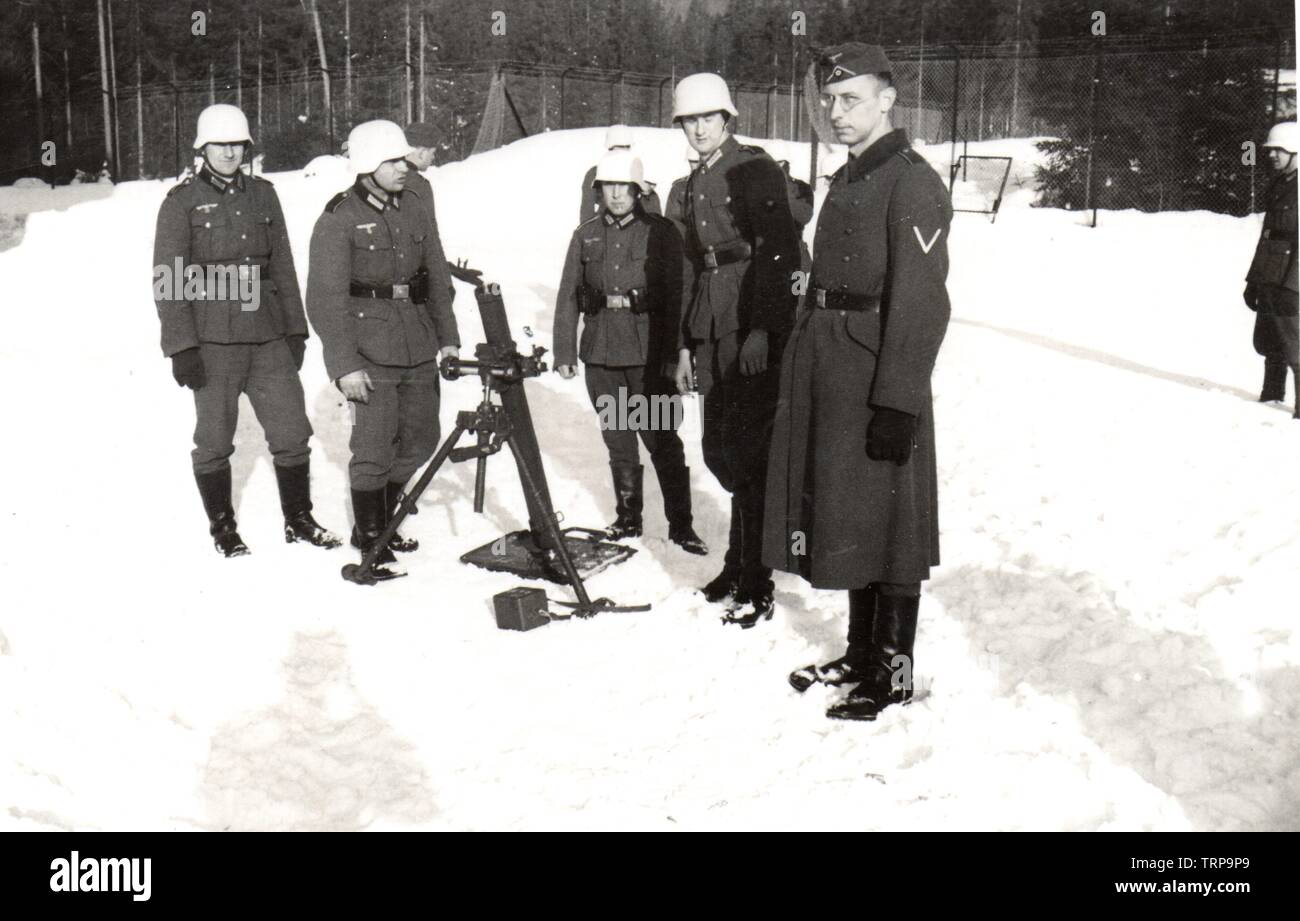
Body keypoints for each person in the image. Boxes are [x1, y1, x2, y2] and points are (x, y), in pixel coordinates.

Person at [763, 44, 952, 721]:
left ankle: (893, 670)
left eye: (850, 99)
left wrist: (898, 400)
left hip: (878, 373)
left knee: (890, 524)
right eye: (828, 101)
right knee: (851, 514)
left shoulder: (913, 182)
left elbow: (923, 301)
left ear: (887, 99)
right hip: (832, 365)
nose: (834, 113)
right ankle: (858, 652)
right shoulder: (848, 179)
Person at [152, 103, 339, 557]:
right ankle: (223, 527)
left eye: (237, 144)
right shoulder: (182, 203)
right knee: (214, 439)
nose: (230, 153)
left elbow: (283, 265)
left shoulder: (263, 195)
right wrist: (181, 346)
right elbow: (167, 276)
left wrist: (295, 330)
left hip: (268, 335)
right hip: (213, 341)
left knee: (293, 431)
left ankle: (298, 518)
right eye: (220, 145)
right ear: (203, 149)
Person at [666, 73, 801, 627]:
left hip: (752, 317)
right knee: (722, 450)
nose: (698, 129)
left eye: (707, 119)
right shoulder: (689, 182)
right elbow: (684, 269)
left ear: (727, 120)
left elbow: (781, 250)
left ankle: (757, 578)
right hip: (713, 323)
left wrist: (766, 331)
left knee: (752, 456)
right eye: (689, 121)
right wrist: (681, 346)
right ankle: (736, 564)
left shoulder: (753, 168)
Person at [306, 121, 461, 580]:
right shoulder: (339, 218)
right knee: (373, 447)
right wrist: (344, 364)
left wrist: (448, 337)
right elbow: (324, 299)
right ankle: (372, 536)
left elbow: (435, 275)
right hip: (368, 346)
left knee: (421, 439)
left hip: (416, 339)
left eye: (404, 159)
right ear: (368, 166)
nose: (405, 167)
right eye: (394, 161)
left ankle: (386, 518)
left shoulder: (414, 205)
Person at [553, 150, 706, 554]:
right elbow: (569, 294)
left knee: (660, 437)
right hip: (602, 353)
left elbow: (677, 297)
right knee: (618, 438)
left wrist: (677, 352)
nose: (616, 194)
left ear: (638, 191)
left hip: (647, 354)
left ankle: (682, 525)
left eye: (624, 186)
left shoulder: (661, 232)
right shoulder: (584, 234)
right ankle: (628, 518)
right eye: (608, 186)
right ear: (598, 190)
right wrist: (564, 349)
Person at [1244, 121, 1299, 418]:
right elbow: (1266, 235)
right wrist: (1254, 279)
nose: (1272, 155)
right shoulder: (1279, 184)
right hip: (1270, 273)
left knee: (1296, 343)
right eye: (1270, 150)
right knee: (1269, 339)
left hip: (1291, 277)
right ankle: (1271, 396)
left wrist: (1294, 286)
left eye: (1278, 150)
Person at [579, 125, 661, 221]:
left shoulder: (637, 167)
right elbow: (587, 209)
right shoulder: (595, 172)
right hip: (612, 223)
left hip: (628, 223)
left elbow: (587, 207)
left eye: (623, 147)